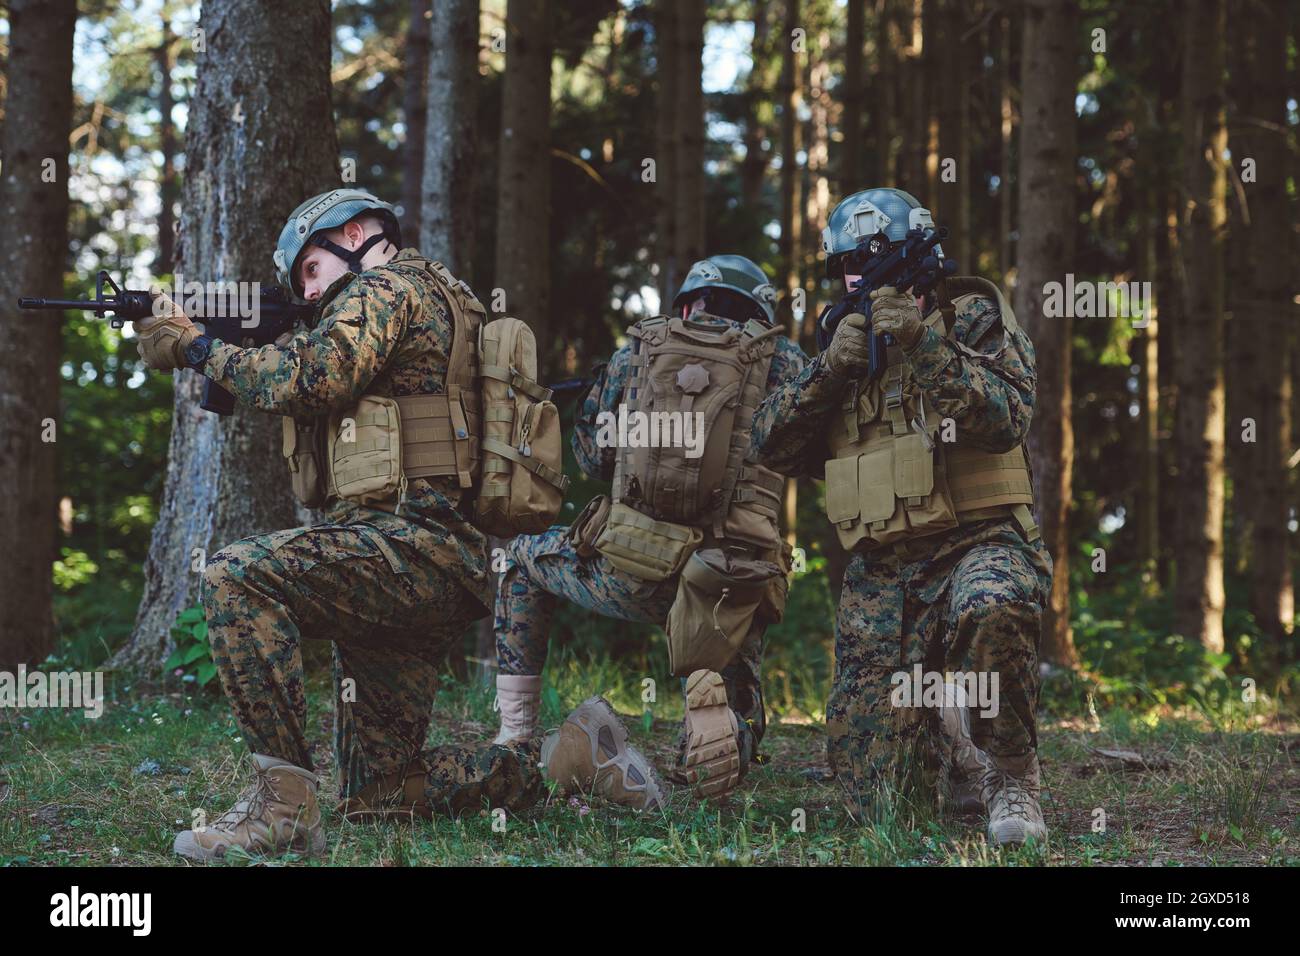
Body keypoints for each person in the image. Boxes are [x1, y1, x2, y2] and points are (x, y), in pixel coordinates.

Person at [134, 188, 650, 859]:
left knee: (237, 577)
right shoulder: (444, 297)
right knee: (378, 792)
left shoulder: (382, 288)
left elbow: (307, 378)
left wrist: (196, 347)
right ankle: (570, 755)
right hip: (424, 569)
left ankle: (281, 808)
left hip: (401, 549)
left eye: (312, 273)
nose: (312, 297)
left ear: (354, 234)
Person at [750, 188, 1053, 845]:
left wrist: (919, 344)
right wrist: (827, 374)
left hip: (981, 540)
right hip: (884, 572)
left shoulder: (971, 316)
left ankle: (1011, 774)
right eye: (843, 268)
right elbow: (769, 447)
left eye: (865, 262)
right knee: (882, 807)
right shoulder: (842, 343)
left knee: (991, 606)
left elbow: (1006, 419)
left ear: (913, 258)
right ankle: (952, 733)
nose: (853, 279)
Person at [491, 255, 807, 801]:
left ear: (688, 304)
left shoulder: (638, 350)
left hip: (633, 565)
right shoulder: (786, 360)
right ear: (760, 311)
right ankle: (720, 730)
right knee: (729, 737)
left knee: (520, 560)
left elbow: (590, 458)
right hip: (731, 580)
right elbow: (806, 456)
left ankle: (516, 737)